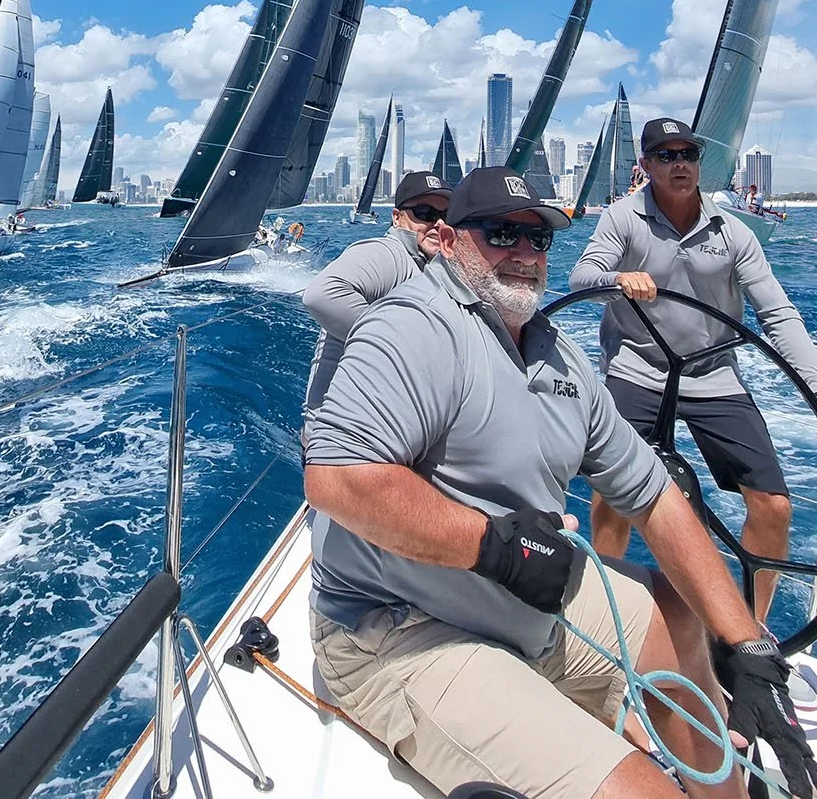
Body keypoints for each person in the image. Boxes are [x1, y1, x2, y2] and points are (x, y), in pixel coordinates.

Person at [305, 166, 816, 799]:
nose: (522, 254)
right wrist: (500, 548)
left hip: (525, 608)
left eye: (538, 241)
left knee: (677, 608)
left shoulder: (557, 354)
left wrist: (748, 644)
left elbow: (653, 495)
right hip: (402, 633)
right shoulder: (413, 325)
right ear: (451, 238)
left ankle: (721, 786)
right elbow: (338, 479)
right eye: (500, 233)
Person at [569, 117, 817, 620]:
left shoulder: (734, 233)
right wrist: (619, 278)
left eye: (688, 154)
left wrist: (814, 383)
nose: (679, 163)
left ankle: (752, 633)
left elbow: (776, 312)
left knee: (773, 506)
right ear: (646, 165)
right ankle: (606, 613)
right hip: (638, 369)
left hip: (713, 375)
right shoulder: (622, 218)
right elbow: (582, 275)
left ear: (700, 164)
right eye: (665, 155)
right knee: (612, 493)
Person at [302, 169, 454, 424]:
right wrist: (405, 348)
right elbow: (322, 294)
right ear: (397, 218)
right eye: (425, 214)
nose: (438, 224)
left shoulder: (428, 268)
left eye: (446, 216)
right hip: (343, 442)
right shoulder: (389, 253)